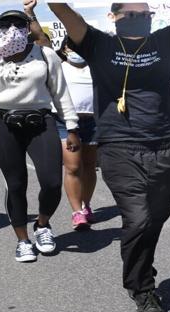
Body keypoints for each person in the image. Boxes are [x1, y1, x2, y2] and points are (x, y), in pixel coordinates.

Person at [47, 1, 170, 312]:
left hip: (166, 145)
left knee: (155, 219)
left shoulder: (165, 41)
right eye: (130, 14)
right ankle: (142, 289)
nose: (139, 18)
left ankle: (140, 264)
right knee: (138, 219)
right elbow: (65, 13)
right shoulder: (99, 43)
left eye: (145, 14)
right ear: (112, 17)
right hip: (119, 147)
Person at [0, 7, 80, 263]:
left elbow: (60, 93)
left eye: (18, 24)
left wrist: (71, 126)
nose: (12, 29)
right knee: (16, 184)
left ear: (28, 28)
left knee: (51, 182)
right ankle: (23, 240)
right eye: (6, 25)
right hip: (2, 123)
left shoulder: (45, 55)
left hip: (41, 121)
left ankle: (43, 225)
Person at [51, 38, 100, 229]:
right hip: (64, 122)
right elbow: (40, 39)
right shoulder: (58, 66)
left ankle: (85, 205)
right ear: (64, 49)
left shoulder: (95, 66)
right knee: (72, 166)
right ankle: (77, 212)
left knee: (89, 165)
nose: (76, 50)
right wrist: (31, 14)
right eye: (72, 46)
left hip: (93, 121)